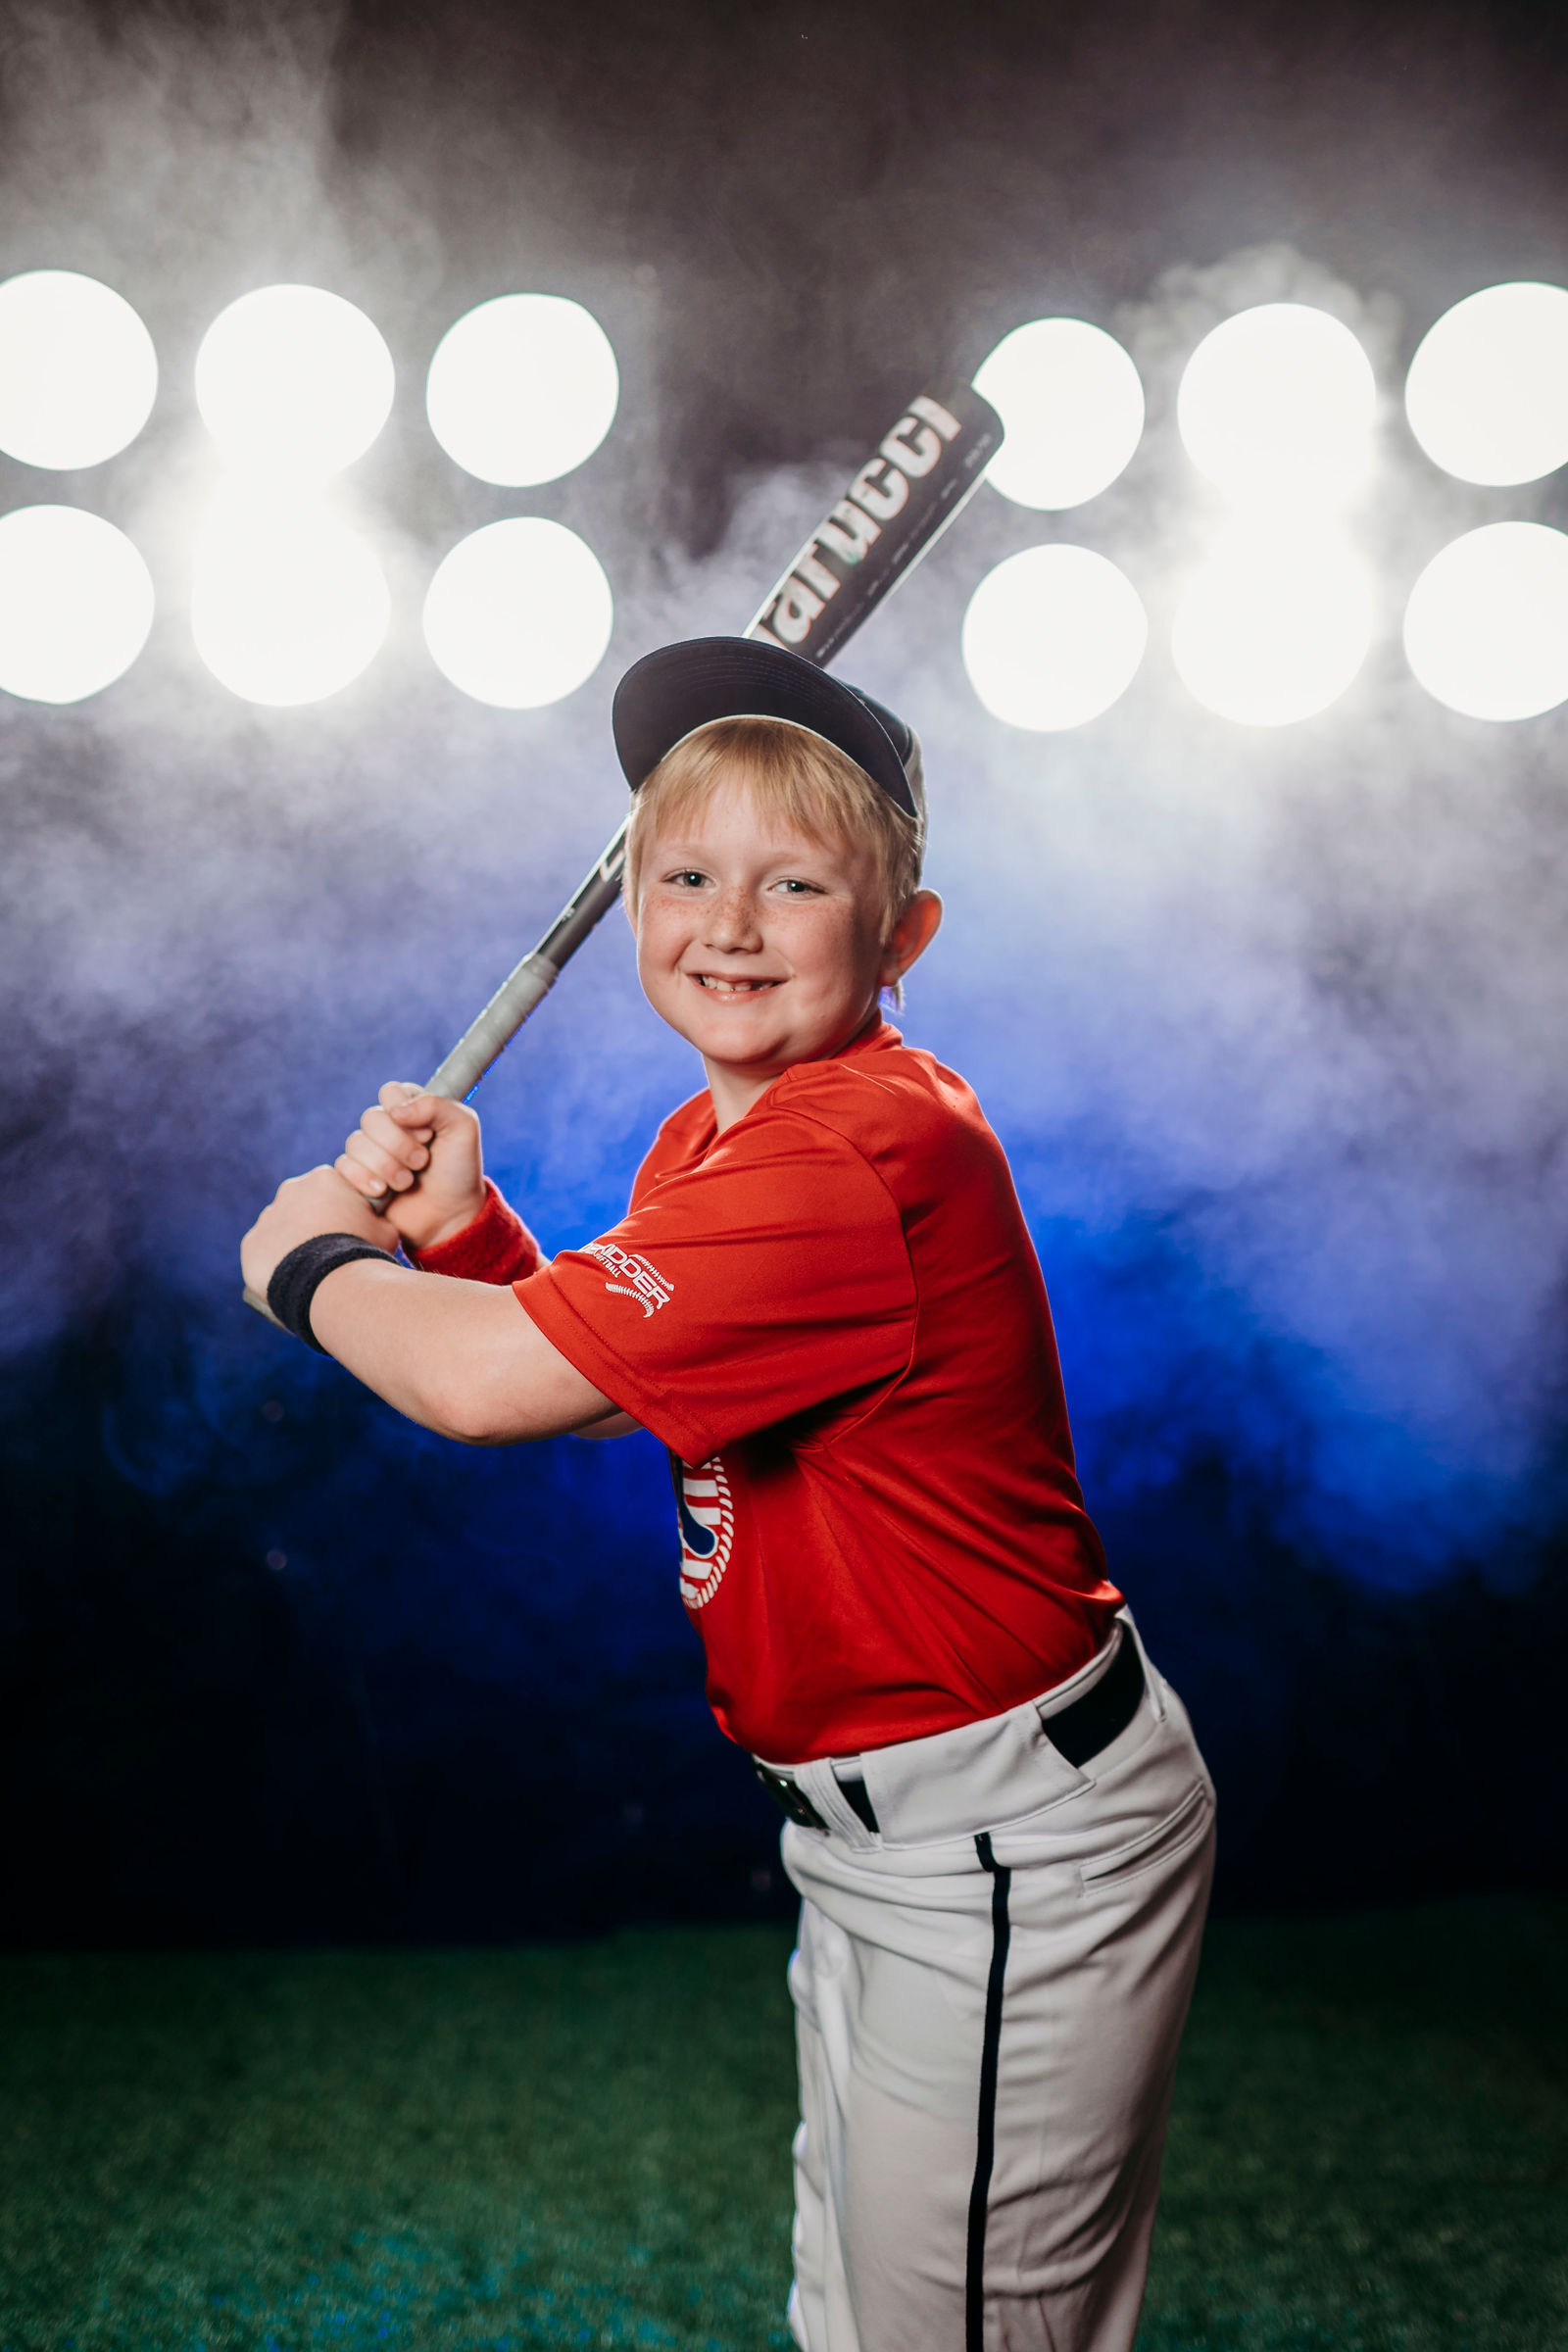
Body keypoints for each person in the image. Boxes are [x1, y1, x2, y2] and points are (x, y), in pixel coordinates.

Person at [241, 636, 1215, 2352]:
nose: (731, 923)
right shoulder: (730, 1142)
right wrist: (469, 1241)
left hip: (997, 1838)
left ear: (902, 934)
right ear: (633, 908)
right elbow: (639, 1379)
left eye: (797, 881)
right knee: (859, 2321)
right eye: (685, 873)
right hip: (893, 1835)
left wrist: (307, 1262)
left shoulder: (852, 1148)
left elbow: (480, 1388)